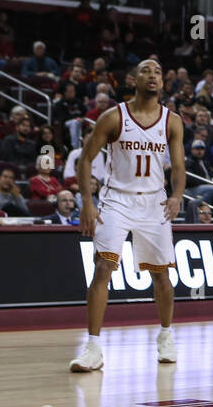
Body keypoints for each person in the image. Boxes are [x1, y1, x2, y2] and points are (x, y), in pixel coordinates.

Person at [69, 59, 185, 371]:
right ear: (133, 79)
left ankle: (165, 335)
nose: (153, 75)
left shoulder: (172, 121)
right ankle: (93, 347)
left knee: (161, 274)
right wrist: (87, 202)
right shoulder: (113, 116)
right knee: (103, 267)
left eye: (159, 71)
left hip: (154, 202)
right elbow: (86, 159)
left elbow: (178, 168)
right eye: (146, 71)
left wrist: (176, 196)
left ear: (163, 83)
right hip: (117, 199)